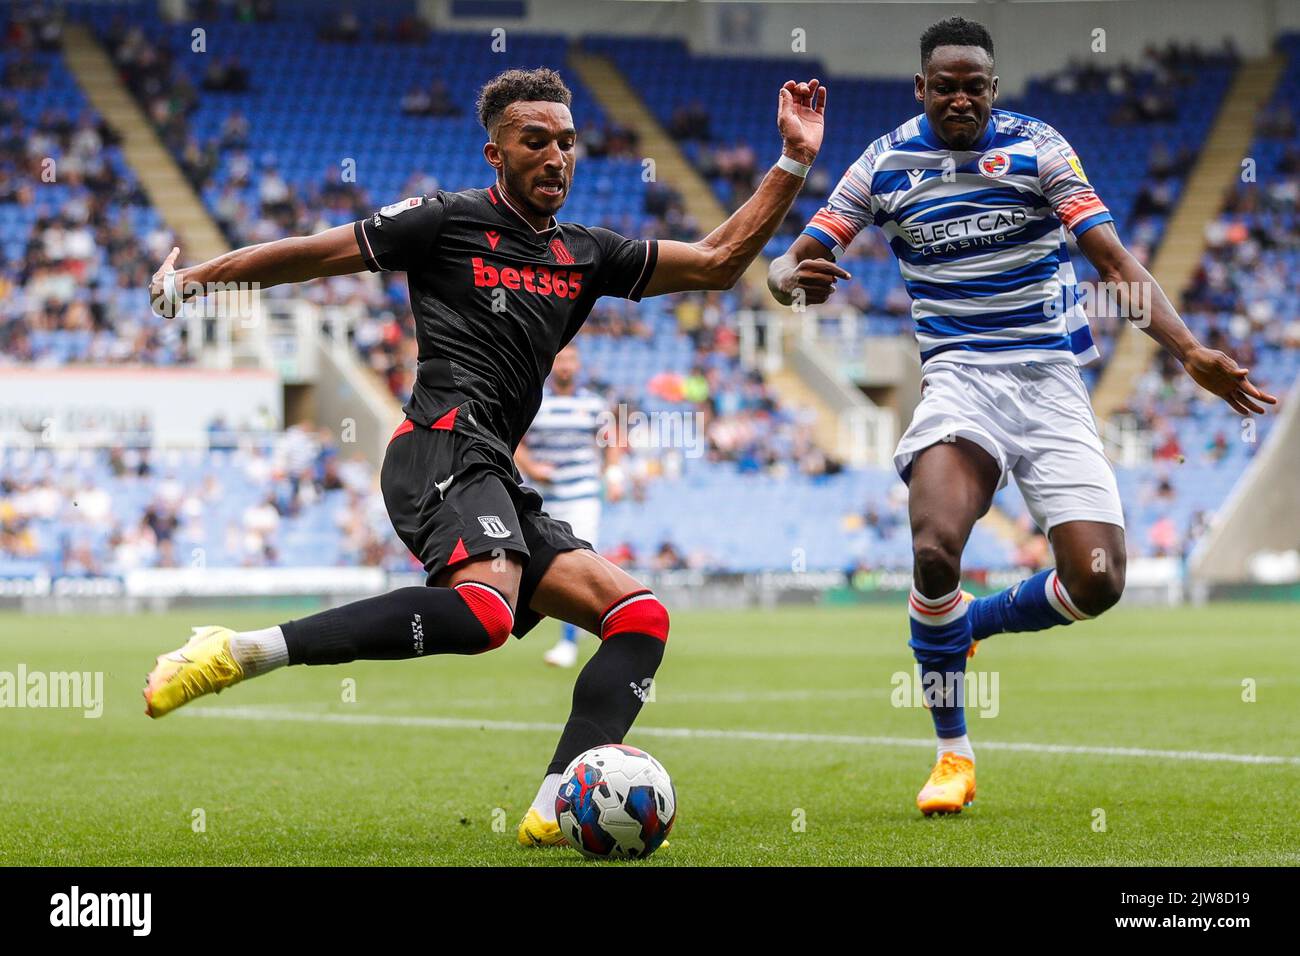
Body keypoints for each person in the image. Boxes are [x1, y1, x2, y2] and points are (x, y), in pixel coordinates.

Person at [144, 67, 828, 847]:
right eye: (534, 141)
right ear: (494, 153)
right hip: (436, 442)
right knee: (487, 615)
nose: (555, 157)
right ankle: (238, 652)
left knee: (639, 616)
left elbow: (716, 262)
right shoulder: (444, 221)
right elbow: (312, 254)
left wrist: (793, 163)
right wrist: (199, 279)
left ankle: (549, 806)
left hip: (492, 466)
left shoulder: (587, 252)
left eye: (567, 143)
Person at [768, 17, 1275, 816]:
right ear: (921, 88)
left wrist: (1188, 351)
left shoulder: (1040, 147)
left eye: (975, 85)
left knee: (1099, 582)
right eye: (946, 86)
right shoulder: (884, 162)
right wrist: (790, 280)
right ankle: (951, 754)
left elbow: (1111, 259)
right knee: (934, 549)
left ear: (994, 89)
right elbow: (786, 263)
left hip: (1050, 382)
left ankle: (977, 623)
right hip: (959, 381)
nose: (961, 98)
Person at [513, 343, 622, 668]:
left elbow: (610, 440)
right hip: (544, 499)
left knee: (579, 562)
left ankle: (568, 643)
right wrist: (531, 467)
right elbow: (514, 440)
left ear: (578, 366)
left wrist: (614, 475)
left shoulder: (592, 404)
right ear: (551, 362)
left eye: (571, 360)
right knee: (543, 567)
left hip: (583, 495)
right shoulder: (535, 401)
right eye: (560, 359)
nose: (565, 366)